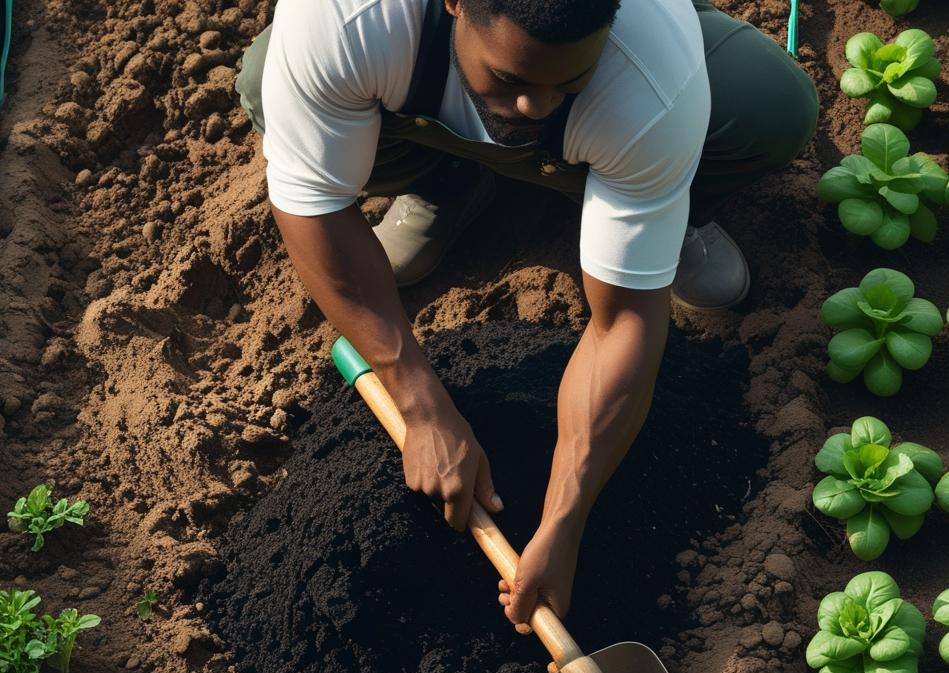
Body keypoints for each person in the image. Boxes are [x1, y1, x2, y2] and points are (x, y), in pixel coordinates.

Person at [235, 0, 816, 636]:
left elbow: (623, 323)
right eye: (512, 79)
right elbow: (313, 209)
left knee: (769, 105)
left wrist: (564, 518)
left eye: (566, 83)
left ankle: (655, 214)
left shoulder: (651, 76)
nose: (535, 106)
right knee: (269, 77)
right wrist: (423, 405)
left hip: (632, 114)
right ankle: (441, 179)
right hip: (404, 82)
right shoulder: (346, 20)